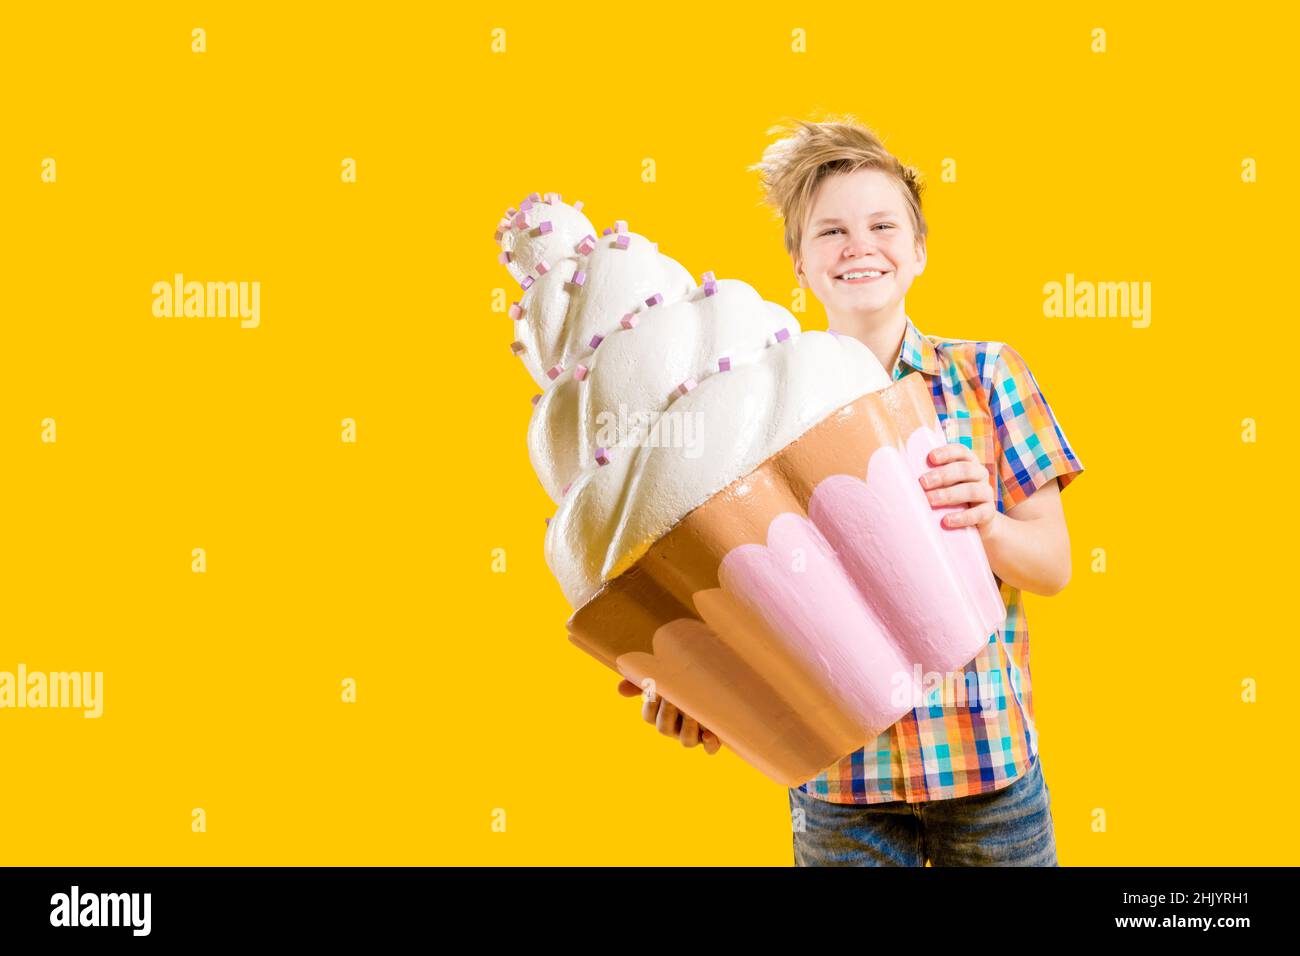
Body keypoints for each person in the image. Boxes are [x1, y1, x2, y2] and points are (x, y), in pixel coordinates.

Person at [619, 114, 1084, 866]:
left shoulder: (989, 374)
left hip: (988, 768)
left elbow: (1055, 566)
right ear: (798, 266)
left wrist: (988, 527)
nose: (859, 245)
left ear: (920, 249)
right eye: (830, 232)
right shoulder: (754, 416)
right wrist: (702, 684)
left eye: (882, 225)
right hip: (841, 786)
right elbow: (749, 589)